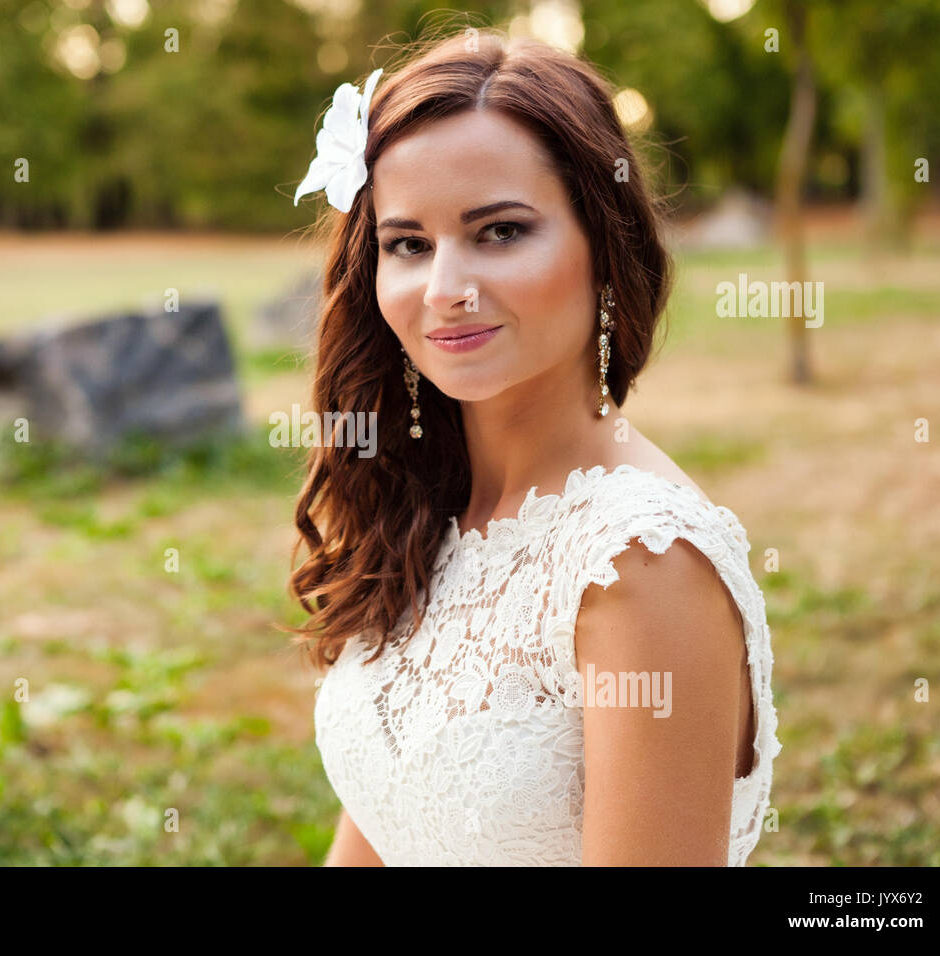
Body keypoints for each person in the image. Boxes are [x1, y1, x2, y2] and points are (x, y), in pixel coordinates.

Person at [287, 27, 781, 866]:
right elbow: (382, 820)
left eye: (500, 232)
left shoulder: (638, 565)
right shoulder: (424, 504)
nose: (446, 291)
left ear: (602, 246)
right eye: (409, 244)